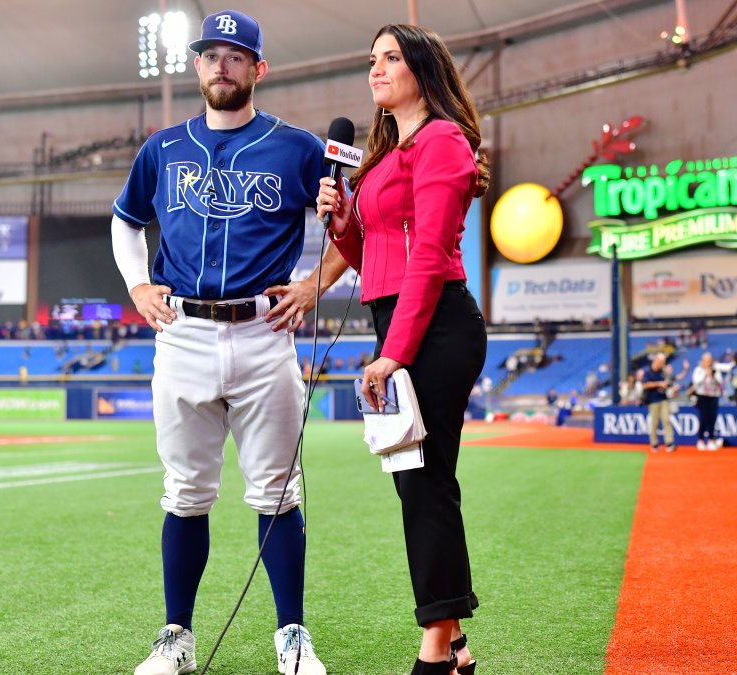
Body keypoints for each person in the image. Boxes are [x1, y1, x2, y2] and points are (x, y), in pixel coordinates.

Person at [112, 10, 346, 675]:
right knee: (185, 491)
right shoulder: (163, 147)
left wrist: (312, 285)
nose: (222, 64)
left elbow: (346, 232)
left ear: (258, 69)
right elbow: (126, 221)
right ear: (196, 66)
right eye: (210, 53)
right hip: (181, 330)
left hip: (262, 332)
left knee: (277, 490)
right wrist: (136, 285)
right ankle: (176, 637)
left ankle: (292, 635)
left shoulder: (299, 148)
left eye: (236, 55)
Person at [317, 23, 488, 675]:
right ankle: (458, 644)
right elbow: (372, 260)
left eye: (391, 57)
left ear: (422, 68)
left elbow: (427, 258)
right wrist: (341, 219)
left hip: (434, 323)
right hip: (394, 321)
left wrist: (393, 351)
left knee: (426, 484)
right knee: (416, 483)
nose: (376, 69)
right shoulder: (384, 158)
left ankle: (435, 653)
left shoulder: (442, 141)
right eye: (371, 60)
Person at [642, 353, 676, 453]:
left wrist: (669, 376)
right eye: (662, 362)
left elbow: (669, 383)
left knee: (666, 420)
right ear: (656, 361)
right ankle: (654, 443)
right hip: (653, 400)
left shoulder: (663, 372)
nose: (663, 364)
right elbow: (645, 384)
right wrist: (658, 384)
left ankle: (669, 442)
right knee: (654, 423)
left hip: (663, 398)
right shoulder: (648, 372)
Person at [691, 352, 724, 451]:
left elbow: (720, 383)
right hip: (702, 396)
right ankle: (700, 440)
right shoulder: (698, 370)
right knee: (703, 418)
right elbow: (696, 382)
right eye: (706, 360)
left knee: (712, 419)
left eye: (710, 360)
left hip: (714, 396)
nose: (708, 362)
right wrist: (705, 374)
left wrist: (713, 375)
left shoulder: (716, 370)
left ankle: (710, 440)